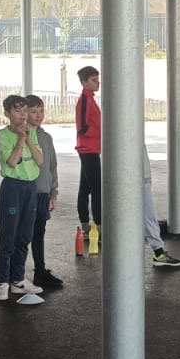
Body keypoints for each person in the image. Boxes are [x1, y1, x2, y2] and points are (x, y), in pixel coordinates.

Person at [0, 94, 46, 303]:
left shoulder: (32, 132)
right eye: (17, 111)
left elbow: (40, 160)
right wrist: (21, 139)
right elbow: (13, 161)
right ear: (8, 114)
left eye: (24, 110)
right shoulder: (2, 135)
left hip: (30, 187)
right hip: (12, 187)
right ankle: (3, 282)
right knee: (9, 234)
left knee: (25, 235)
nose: (23, 115)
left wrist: (28, 138)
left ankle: (18, 279)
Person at [25, 94, 65, 292]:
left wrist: (53, 193)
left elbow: (52, 167)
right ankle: (14, 276)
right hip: (26, 193)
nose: (39, 115)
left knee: (38, 233)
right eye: (33, 111)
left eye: (41, 111)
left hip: (43, 194)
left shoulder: (46, 137)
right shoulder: (20, 136)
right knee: (22, 235)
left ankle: (40, 271)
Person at [142, 145, 180, 269]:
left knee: (145, 215)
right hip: (137, 178)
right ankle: (158, 253)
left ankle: (158, 253)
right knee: (148, 214)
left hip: (137, 177)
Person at [74, 65, 102, 243]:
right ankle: (98, 225)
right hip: (88, 149)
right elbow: (83, 127)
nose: (97, 82)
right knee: (96, 188)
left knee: (85, 187)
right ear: (84, 82)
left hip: (91, 148)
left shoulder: (90, 99)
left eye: (97, 78)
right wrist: (101, 130)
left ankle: (86, 224)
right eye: (93, 79)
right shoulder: (85, 100)